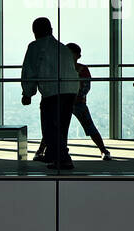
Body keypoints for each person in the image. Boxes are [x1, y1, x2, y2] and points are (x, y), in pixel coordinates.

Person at [34, 42, 111, 163]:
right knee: (85, 126)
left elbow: (84, 87)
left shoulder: (63, 69)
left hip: (68, 102)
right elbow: (85, 87)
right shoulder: (81, 69)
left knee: (55, 127)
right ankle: (103, 150)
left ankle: (41, 151)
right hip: (76, 102)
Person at [21, 17, 79, 171]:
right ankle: (55, 157)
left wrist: (28, 93)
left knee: (50, 128)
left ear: (34, 32)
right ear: (52, 30)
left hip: (53, 91)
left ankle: (64, 159)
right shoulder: (62, 48)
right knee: (61, 127)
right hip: (71, 90)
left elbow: (29, 71)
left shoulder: (35, 47)